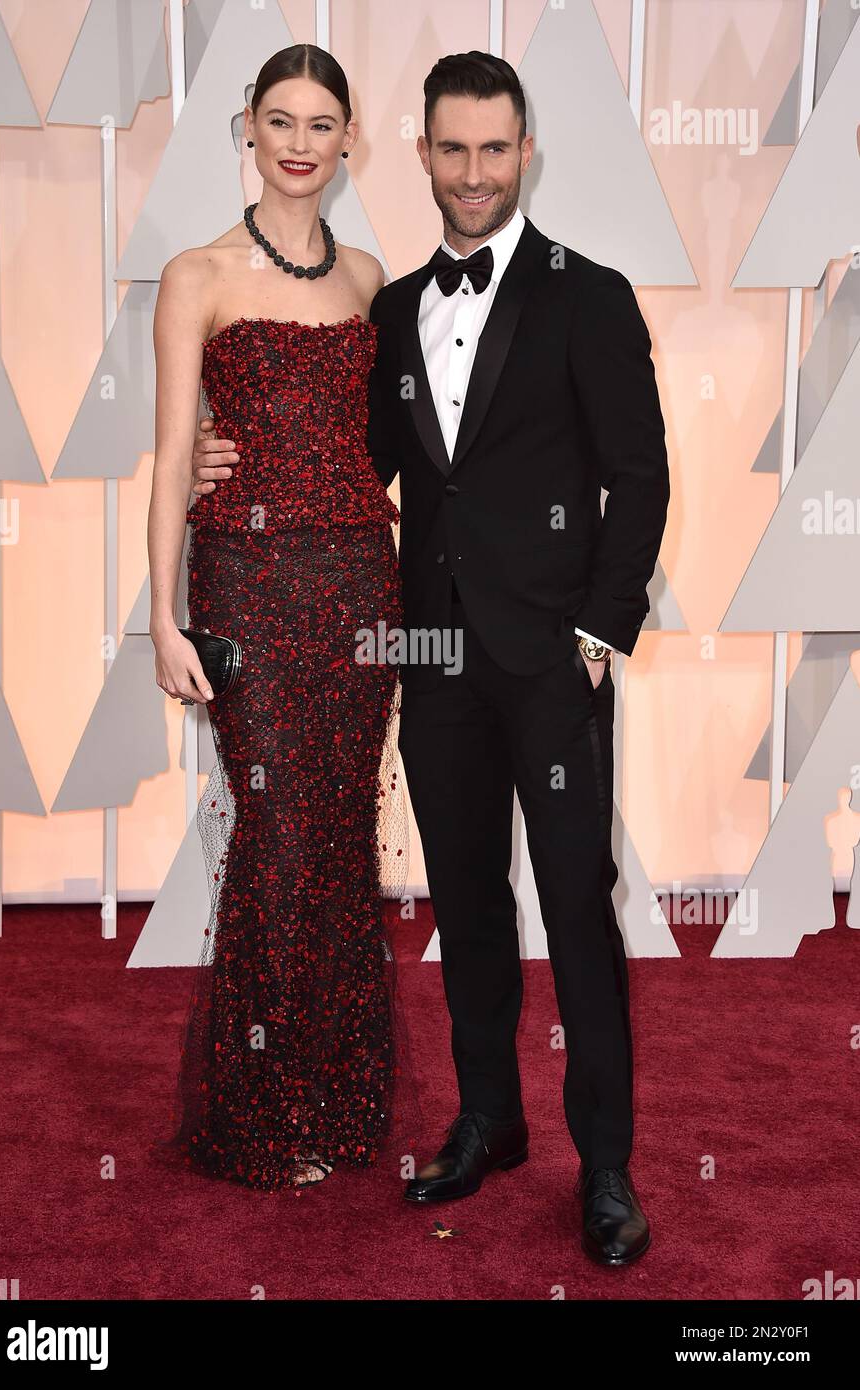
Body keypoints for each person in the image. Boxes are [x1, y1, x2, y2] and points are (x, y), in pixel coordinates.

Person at [192, 51, 670, 1263]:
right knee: (464, 902)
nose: (471, 173)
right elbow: (361, 467)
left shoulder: (590, 296)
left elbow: (640, 476)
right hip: (434, 658)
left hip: (556, 669)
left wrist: (602, 631)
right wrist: (221, 453)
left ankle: (605, 1168)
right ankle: (488, 1123)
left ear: (526, 155)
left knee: (575, 913)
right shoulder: (394, 306)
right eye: (450, 150)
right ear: (419, 156)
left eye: (493, 150)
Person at [147, 44, 406, 1191]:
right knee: (274, 829)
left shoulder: (370, 275)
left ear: (349, 140)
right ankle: (262, 1107)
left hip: (360, 583)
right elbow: (169, 461)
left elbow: (400, 449)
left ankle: (340, 1097)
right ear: (247, 127)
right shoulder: (194, 275)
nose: (301, 142)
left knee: (340, 832)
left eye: (323, 124)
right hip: (246, 587)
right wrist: (161, 617)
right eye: (281, 120)